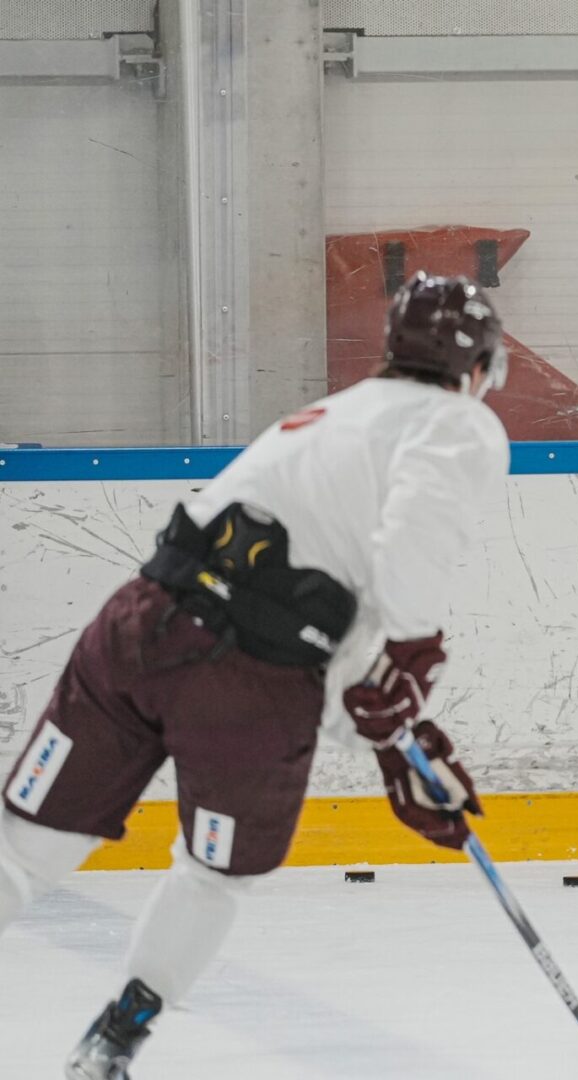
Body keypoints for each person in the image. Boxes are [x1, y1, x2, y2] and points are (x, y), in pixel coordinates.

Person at [0, 273, 511, 1078]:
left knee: (22, 856)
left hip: (138, 628)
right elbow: (392, 577)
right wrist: (408, 677)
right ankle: (112, 1044)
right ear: (477, 367)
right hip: (250, 688)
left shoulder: (327, 415)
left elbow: (301, 595)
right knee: (213, 875)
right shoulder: (461, 425)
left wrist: (393, 737)